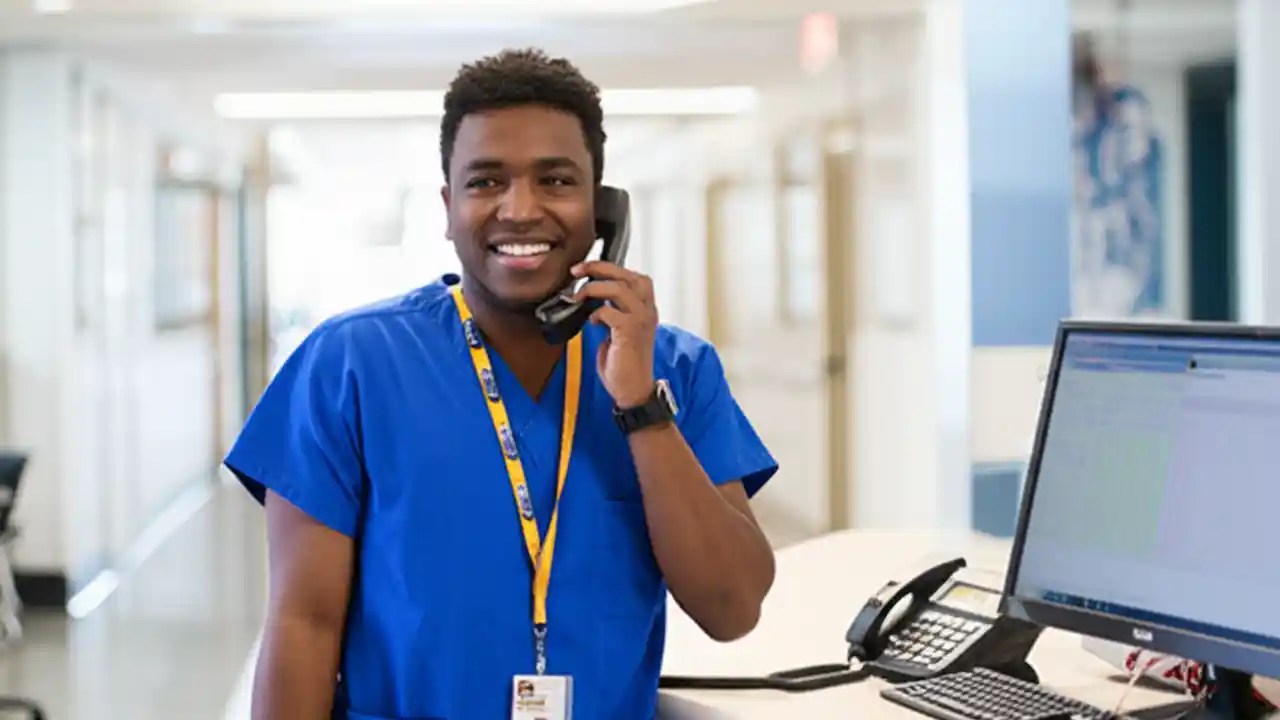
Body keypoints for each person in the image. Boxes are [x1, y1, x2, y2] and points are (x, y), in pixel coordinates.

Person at [225, 47, 779, 720]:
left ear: (601, 207)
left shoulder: (675, 370)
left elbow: (733, 609)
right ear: (448, 203)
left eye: (556, 181)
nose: (519, 210)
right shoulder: (350, 364)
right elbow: (302, 623)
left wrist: (639, 409)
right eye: (486, 182)